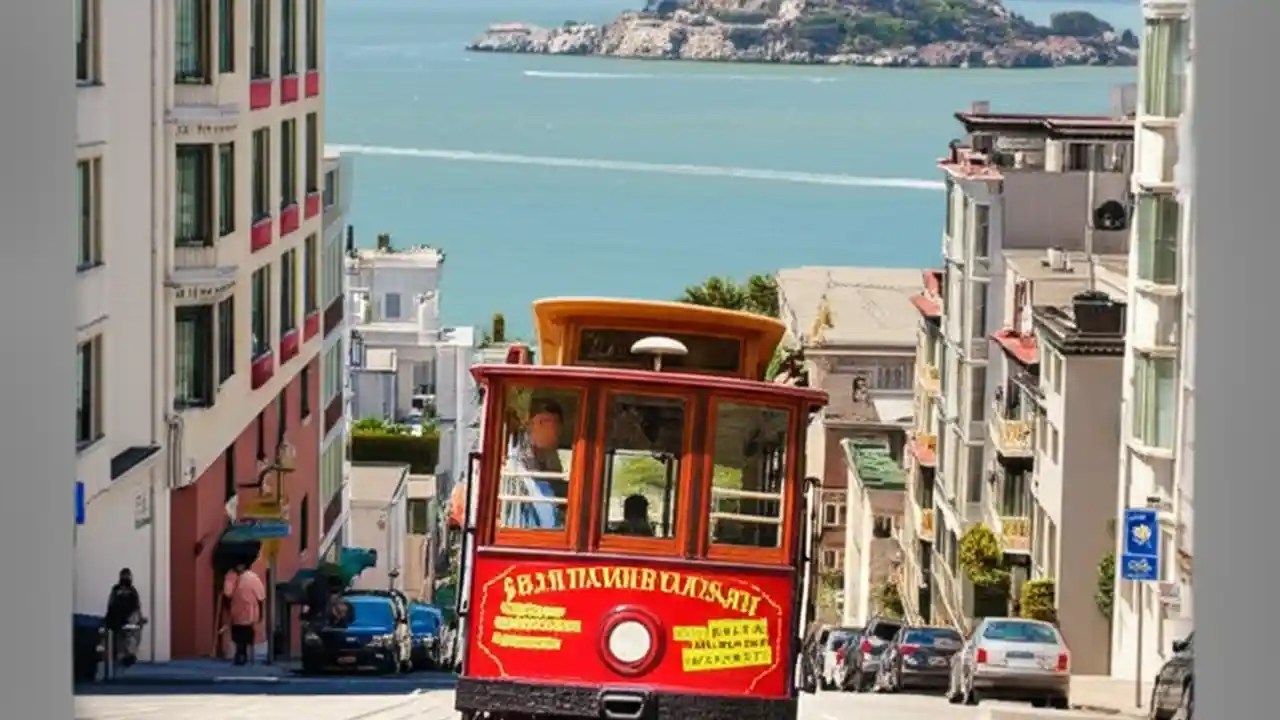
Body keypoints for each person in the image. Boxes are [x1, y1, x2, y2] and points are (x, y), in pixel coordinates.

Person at [505, 397, 569, 529]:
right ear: (538, 422)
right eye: (553, 424)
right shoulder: (516, 461)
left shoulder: (549, 458)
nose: (557, 433)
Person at [222, 562, 267, 666]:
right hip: (247, 613)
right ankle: (245, 655)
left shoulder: (232, 577)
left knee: (239, 636)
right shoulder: (253, 578)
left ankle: (241, 654)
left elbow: (227, 594)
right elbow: (261, 597)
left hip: (239, 613)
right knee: (245, 635)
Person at [104, 568, 143, 668]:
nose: (126, 578)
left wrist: (137, 618)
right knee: (119, 632)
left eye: (128, 576)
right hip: (117, 617)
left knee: (132, 631)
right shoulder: (116, 590)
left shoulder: (133, 591)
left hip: (130, 616)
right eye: (124, 576)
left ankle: (130, 653)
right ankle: (121, 654)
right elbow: (111, 605)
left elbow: (137, 606)